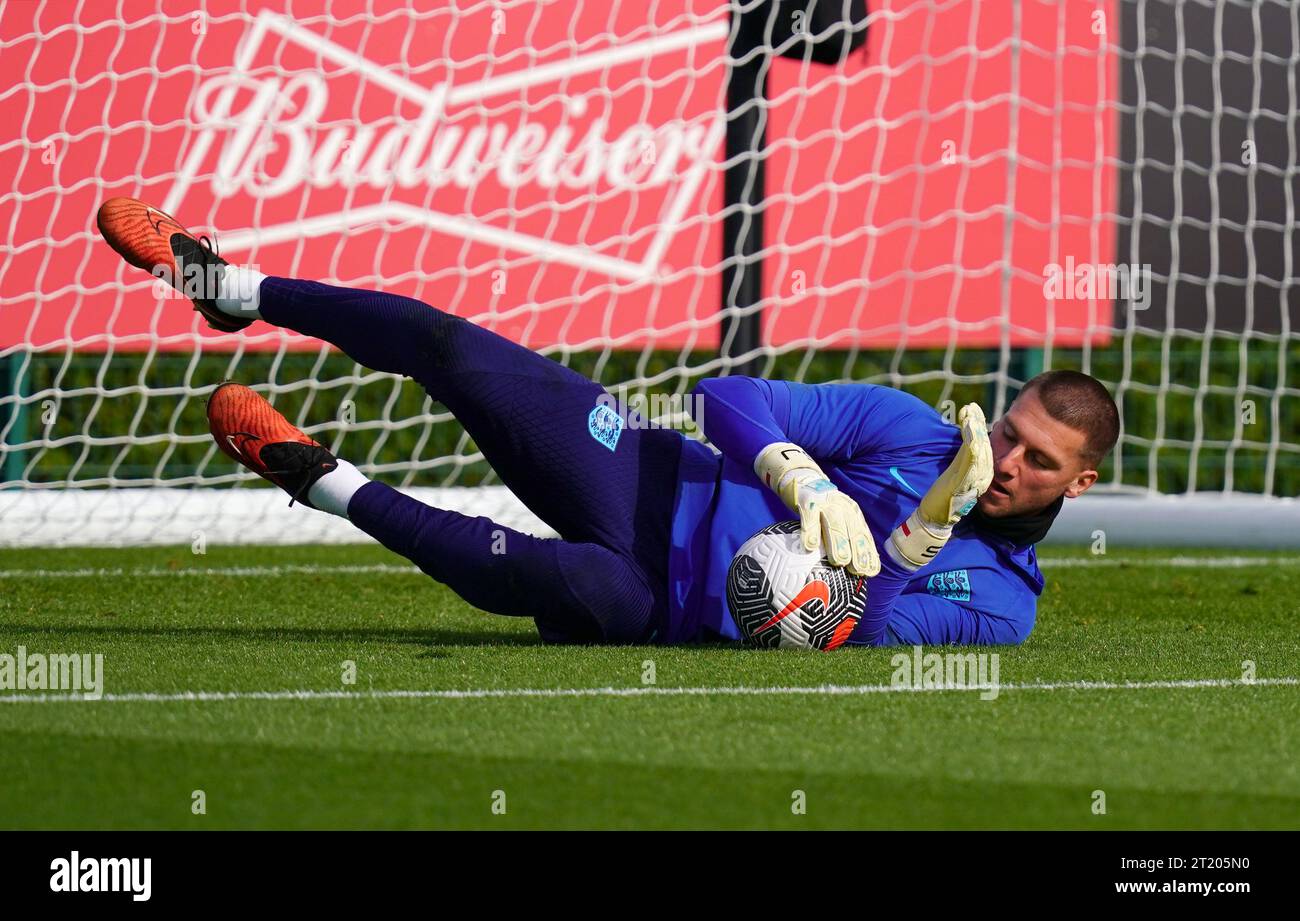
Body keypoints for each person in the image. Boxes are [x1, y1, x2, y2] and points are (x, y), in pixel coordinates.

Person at [96, 197, 1119, 647]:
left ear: (1078, 485)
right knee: (457, 353)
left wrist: (911, 539)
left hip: (658, 605)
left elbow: (867, 637)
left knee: (571, 580)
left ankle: (319, 478)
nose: (1006, 462)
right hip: (642, 475)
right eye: (1011, 434)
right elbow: (729, 398)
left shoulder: (1002, 610)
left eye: (1039, 460)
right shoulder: (911, 429)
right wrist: (795, 476)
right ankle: (231, 283)